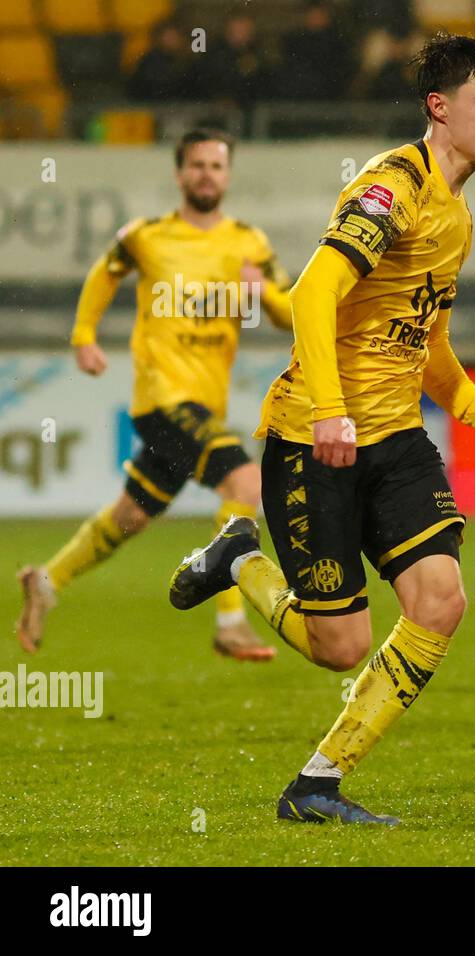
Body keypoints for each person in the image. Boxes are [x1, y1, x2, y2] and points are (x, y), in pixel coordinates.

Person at [168, 34, 475, 825]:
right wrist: (332, 410)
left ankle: (317, 785)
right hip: (314, 436)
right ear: (439, 108)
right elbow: (310, 296)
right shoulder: (391, 187)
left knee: (440, 602)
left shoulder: (457, 215)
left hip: (398, 439)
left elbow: (427, 344)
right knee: (339, 644)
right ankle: (238, 560)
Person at [16, 128, 293, 662]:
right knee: (244, 479)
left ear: (228, 175)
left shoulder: (248, 243)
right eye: (197, 165)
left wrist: (265, 294)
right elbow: (104, 273)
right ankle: (231, 621)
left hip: (202, 406)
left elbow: (286, 311)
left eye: (216, 165)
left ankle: (47, 581)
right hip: (162, 399)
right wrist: (83, 336)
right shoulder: (148, 236)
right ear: (179, 173)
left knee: (131, 516)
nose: (206, 174)